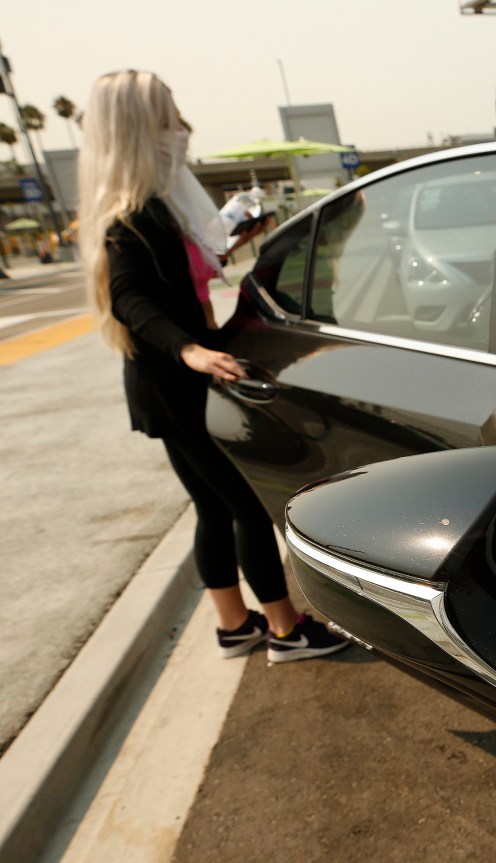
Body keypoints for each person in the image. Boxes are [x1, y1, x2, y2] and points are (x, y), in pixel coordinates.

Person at [77, 70, 347, 663]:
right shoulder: (135, 215)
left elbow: (165, 284)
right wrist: (190, 349)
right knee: (245, 505)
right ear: (140, 130)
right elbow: (131, 300)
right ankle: (285, 629)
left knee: (213, 506)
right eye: (170, 117)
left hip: (165, 385)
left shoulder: (152, 207)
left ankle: (234, 625)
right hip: (177, 383)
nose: (184, 129)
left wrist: (231, 241)